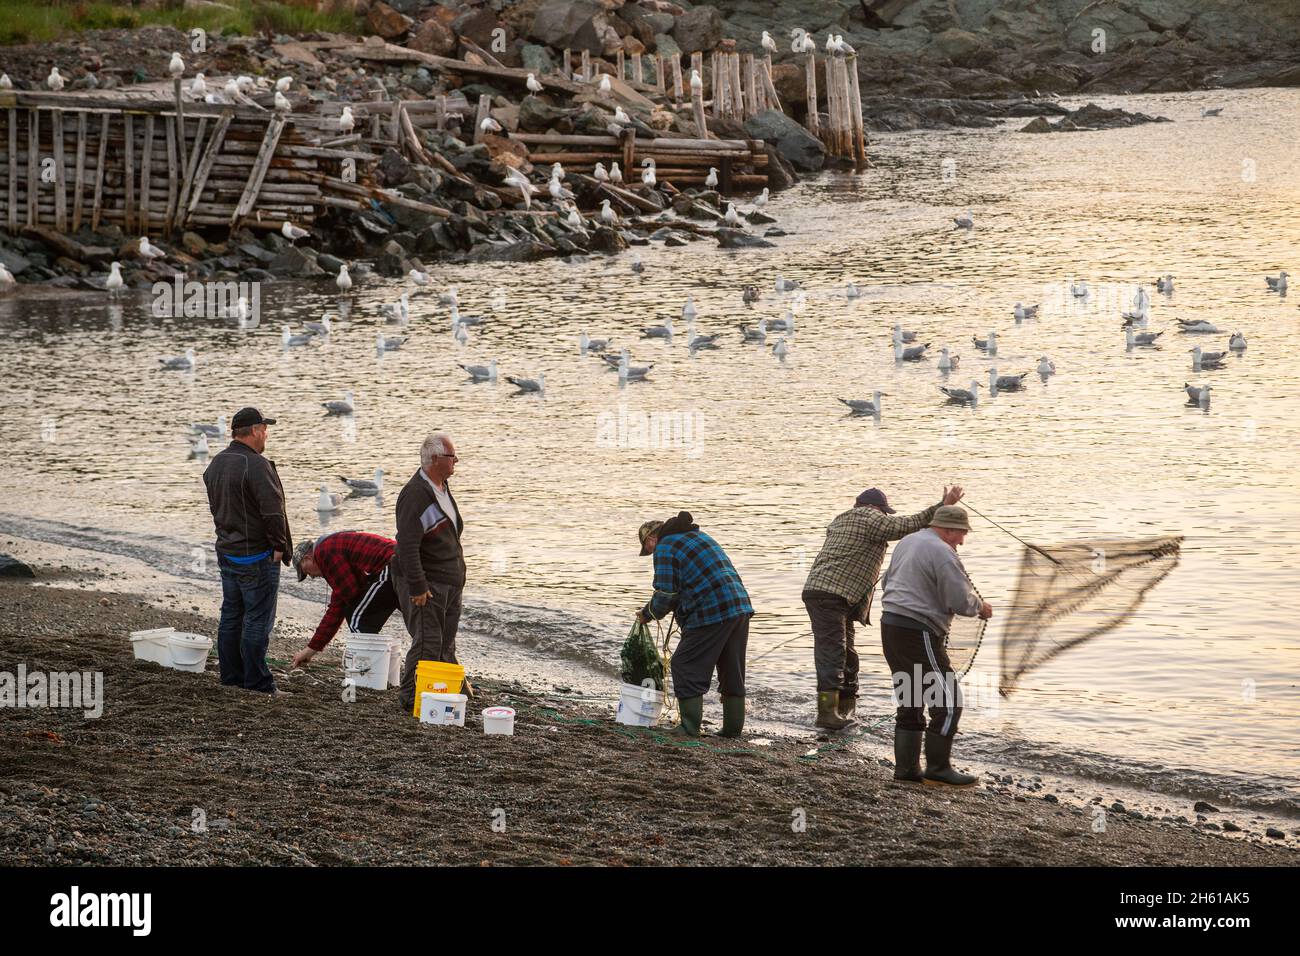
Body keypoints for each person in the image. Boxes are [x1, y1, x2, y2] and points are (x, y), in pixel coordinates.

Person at [803, 485, 964, 730]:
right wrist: (942, 506)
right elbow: (905, 525)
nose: (884, 517)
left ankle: (844, 712)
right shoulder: (868, 517)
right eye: (884, 513)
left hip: (829, 596)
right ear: (875, 508)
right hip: (830, 597)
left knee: (847, 655)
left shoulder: (842, 519)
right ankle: (827, 715)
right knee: (833, 653)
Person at [878, 505, 992, 787]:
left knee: (911, 696)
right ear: (949, 528)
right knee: (949, 701)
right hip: (919, 630)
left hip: (891, 625)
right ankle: (938, 768)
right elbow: (958, 598)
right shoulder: (942, 552)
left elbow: (886, 581)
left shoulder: (909, 541)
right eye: (961, 534)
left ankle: (906, 770)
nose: (962, 541)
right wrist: (981, 607)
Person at [636, 511, 753, 738]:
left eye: (647, 549)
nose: (650, 553)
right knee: (732, 669)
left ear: (651, 540)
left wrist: (647, 614)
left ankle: (689, 727)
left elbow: (666, 593)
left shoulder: (665, 546)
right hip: (739, 606)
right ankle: (732, 730)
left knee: (684, 664)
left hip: (710, 612)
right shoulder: (700, 536)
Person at [202, 406, 292, 694]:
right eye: (264, 429)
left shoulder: (217, 462)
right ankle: (257, 682)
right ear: (254, 431)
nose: (266, 434)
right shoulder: (256, 464)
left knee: (231, 615)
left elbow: (216, 506)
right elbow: (272, 512)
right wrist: (279, 546)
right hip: (256, 556)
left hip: (228, 551)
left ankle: (231, 677)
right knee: (257, 620)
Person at [393, 432, 466, 712]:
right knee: (428, 641)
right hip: (429, 583)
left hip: (451, 581)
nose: (456, 460)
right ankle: (410, 696)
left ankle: (444, 690)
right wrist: (418, 586)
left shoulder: (442, 487)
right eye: (452, 456)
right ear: (435, 459)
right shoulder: (416, 494)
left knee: (445, 643)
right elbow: (407, 545)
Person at [290, 532, 399, 669]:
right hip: (402, 559)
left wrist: (311, 649)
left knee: (358, 619)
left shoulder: (324, 552)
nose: (311, 576)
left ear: (308, 558)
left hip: (389, 564)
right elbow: (347, 593)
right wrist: (312, 649)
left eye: (306, 571)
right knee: (419, 623)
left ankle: (368, 673)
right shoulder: (330, 546)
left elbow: (346, 597)